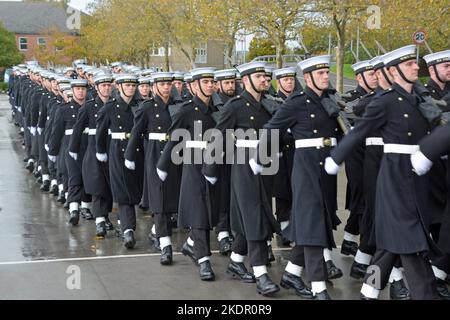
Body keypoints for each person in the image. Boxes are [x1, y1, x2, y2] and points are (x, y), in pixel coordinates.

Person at [325, 45, 440, 300]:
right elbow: (358, 133)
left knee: (388, 247)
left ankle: (369, 290)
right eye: (409, 64)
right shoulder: (385, 102)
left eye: (414, 63)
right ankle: (425, 293)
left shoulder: (421, 100)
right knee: (411, 243)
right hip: (394, 178)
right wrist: (336, 158)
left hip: (418, 178)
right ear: (393, 70)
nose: (415, 68)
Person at [253, 56, 342, 299]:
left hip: (327, 169)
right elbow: (272, 129)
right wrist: (260, 159)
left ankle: (292, 272)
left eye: (327, 72)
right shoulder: (296, 103)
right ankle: (318, 287)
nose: (326, 76)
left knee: (319, 220)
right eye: (321, 73)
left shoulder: (330, 101)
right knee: (312, 223)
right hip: (305, 169)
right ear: (309, 77)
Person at [204, 61, 282, 296]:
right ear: (246, 80)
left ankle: (237, 260)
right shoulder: (234, 107)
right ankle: (260, 273)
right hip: (243, 166)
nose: (264, 81)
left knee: (255, 215)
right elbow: (217, 137)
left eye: (265, 77)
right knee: (254, 216)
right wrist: (210, 170)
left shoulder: (268, 105)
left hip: (265, 165)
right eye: (259, 77)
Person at [157, 67, 221, 281]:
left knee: (211, 211)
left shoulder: (219, 108)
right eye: (206, 82)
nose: (210, 85)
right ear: (194, 86)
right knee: (199, 212)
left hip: (216, 163)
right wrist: (163, 166)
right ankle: (204, 261)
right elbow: (173, 138)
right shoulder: (185, 110)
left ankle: (191, 244)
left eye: (212, 81)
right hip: (194, 165)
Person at [125, 72, 182, 265]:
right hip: (155, 154)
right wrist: (129, 155)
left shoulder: (178, 105)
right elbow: (136, 132)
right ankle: (166, 246)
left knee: (173, 199)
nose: (166, 87)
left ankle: (155, 231)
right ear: (154, 86)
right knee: (159, 202)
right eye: (162, 84)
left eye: (168, 84)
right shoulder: (147, 107)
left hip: (175, 154)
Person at [96, 74, 144, 248]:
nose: (131, 88)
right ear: (120, 86)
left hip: (138, 150)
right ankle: (128, 230)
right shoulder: (109, 108)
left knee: (135, 190)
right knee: (124, 193)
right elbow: (100, 133)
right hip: (118, 151)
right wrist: (101, 151)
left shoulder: (140, 106)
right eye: (128, 85)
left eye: (134, 85)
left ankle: (123, 224)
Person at [68, 73, 115, 237]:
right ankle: (100, 221)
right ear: (97, 88)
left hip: (112, 150)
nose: (106, 88)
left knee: (109, 187)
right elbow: (77, 129)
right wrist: (73, 149)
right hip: (94, 151)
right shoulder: (88, 107)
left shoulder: (115, 105)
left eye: (109, 85)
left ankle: (105, 216)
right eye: (103, 86)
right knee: (97, 187)